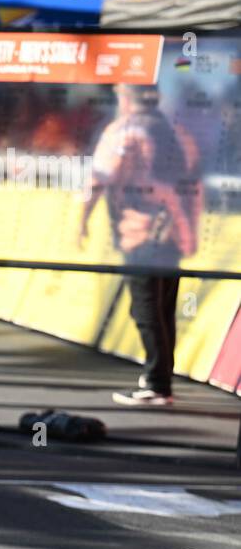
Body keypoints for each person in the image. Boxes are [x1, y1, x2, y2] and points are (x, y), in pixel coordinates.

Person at [79, 83, 201, 406]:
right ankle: (160, 378)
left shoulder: (123, 131)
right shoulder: (178, 132)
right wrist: (189, 232)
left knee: (146, 309)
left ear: (125, 99)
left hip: (140, 233)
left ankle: (157, 383)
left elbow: (100, 178)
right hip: (170, 235)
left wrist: (82, 220)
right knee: (162, 309)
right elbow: (193, 181)